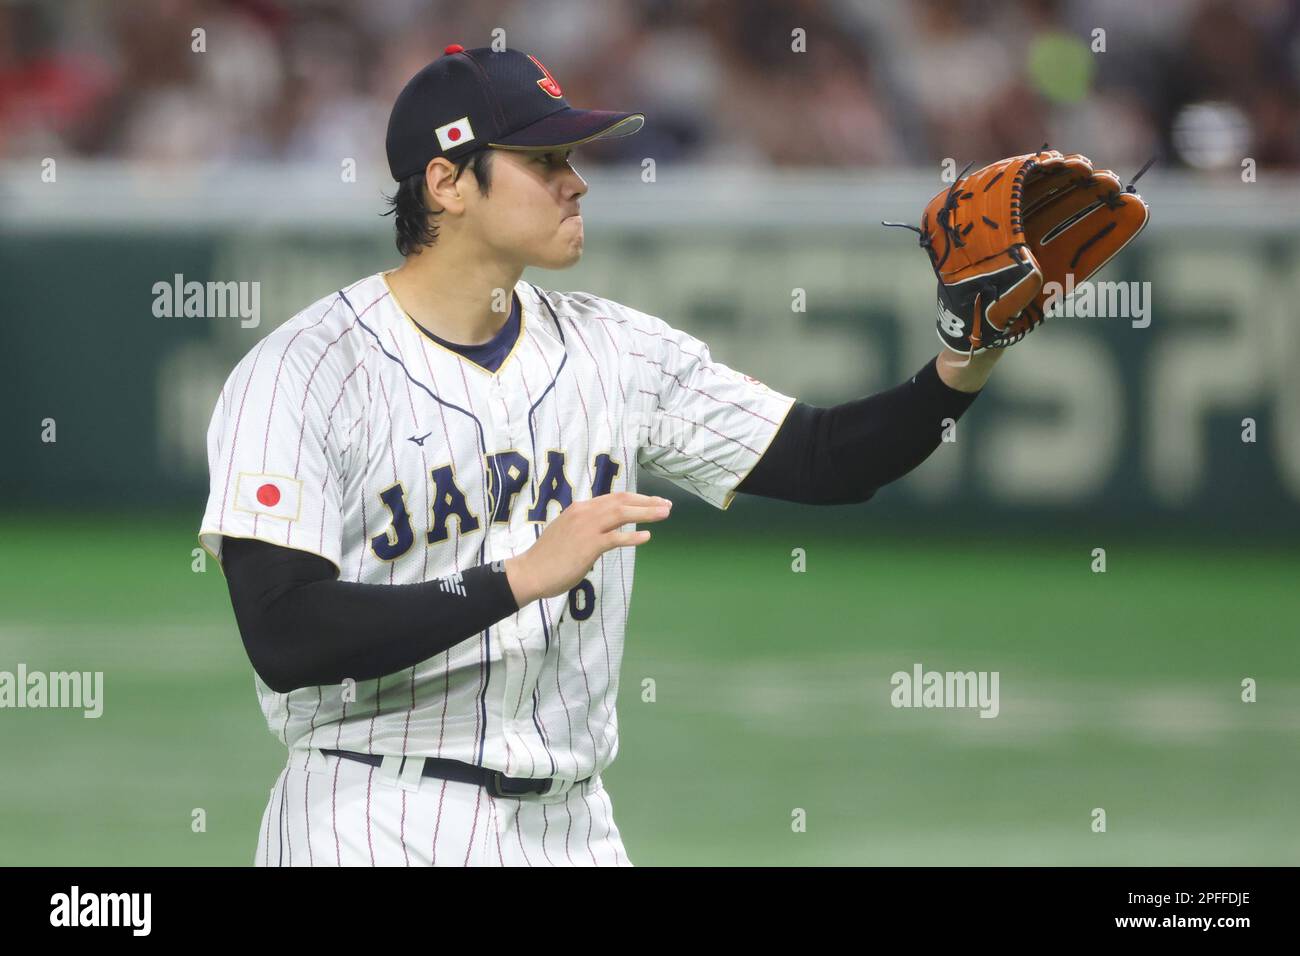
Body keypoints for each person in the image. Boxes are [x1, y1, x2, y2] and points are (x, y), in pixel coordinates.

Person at [198, 44, 1001, 867]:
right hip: (369, 815)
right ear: (446, 183)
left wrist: (963, 358)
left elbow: (827, 460)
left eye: (571, 158)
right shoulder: (303, 370)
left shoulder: (612, 349)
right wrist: (515, 579)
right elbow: (285, 634)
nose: (576, 181)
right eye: (542, 160)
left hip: (572, 827)